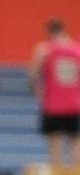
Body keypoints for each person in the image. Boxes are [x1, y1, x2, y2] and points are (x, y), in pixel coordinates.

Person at [31, 18, 80, 167]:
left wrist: (37, 91)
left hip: (53, 105)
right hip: (74, 105)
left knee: (55, 148)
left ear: (49, 31)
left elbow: (33, 74)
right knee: (76, 144)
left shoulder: (44, 49)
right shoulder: (77, 49)